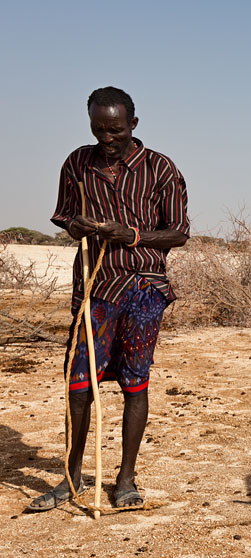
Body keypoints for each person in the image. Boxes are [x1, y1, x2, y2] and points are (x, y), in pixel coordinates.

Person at [28, 86, 189, 511]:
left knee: (136, 384)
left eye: (115, 130)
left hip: (142, 289)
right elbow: (64, 214)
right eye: (99, 129)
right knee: (78, 384)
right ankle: (70, 479)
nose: (107, 138)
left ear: (133, 125)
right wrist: (75, 226)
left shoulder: (160, 169)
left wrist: (132, 235)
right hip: (93, 290)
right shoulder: (78, 163)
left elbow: (178, 232)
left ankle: (126, 481)